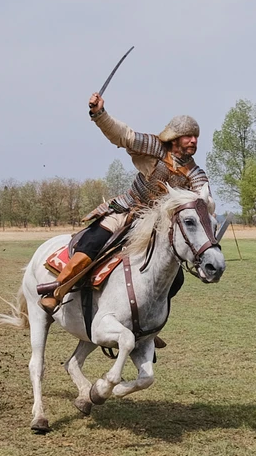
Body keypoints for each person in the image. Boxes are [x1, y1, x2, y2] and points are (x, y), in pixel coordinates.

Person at [37, 91, 215, 314]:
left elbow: (204, 201)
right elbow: (123, 135)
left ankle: (148, 323)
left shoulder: (195, 173)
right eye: (189, 136)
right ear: (175, 137)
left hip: (156, 227)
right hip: (127, 211)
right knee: (90, 248)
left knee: (175, 277)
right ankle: (56, 293)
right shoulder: (155, 147)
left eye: (196, 137)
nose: (194, 141)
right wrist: (100, 113)